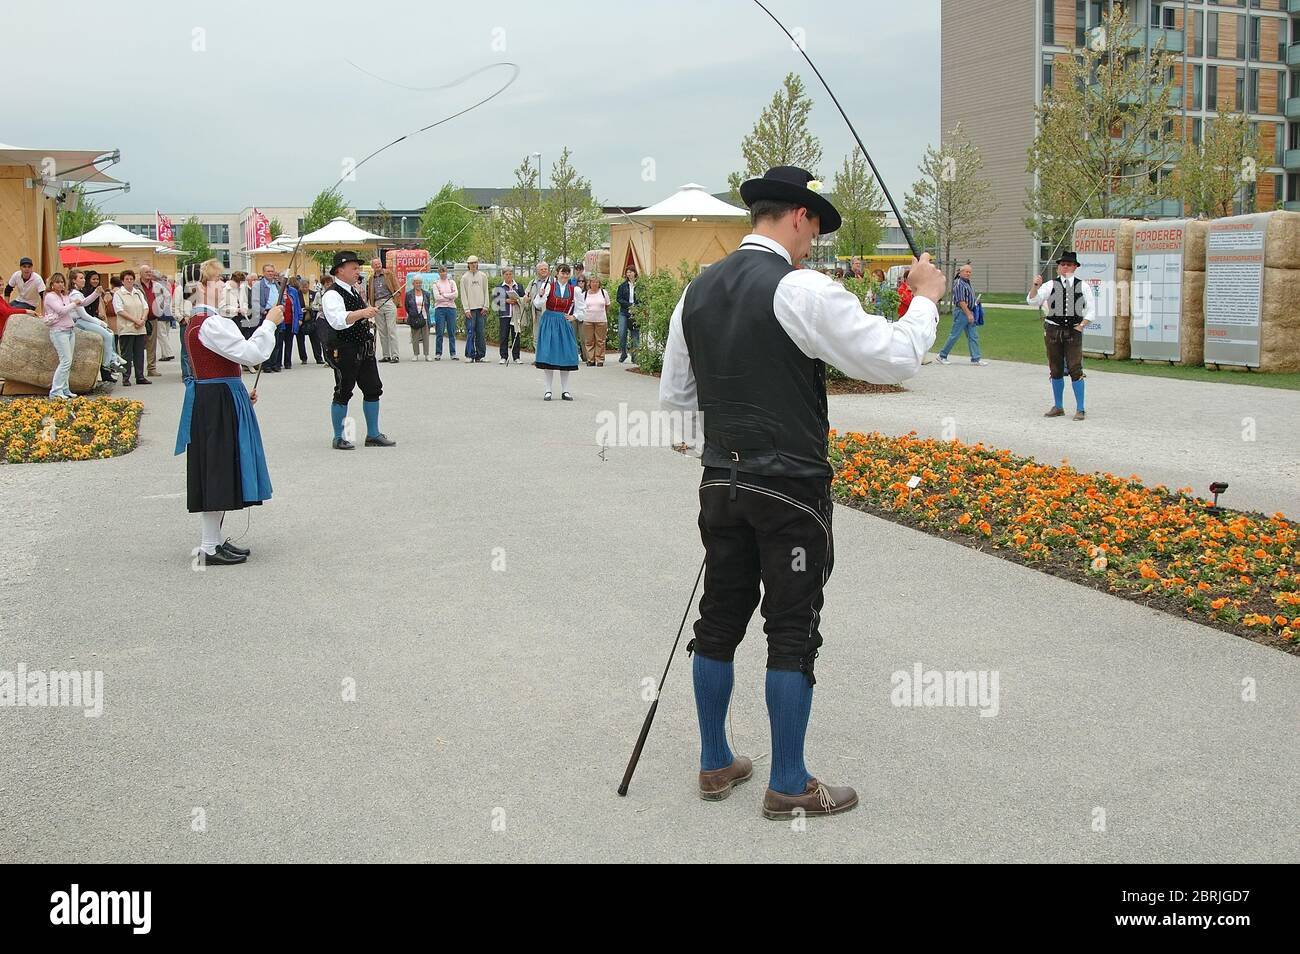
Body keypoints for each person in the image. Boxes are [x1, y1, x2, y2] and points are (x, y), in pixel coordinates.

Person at [659, 165, 942, 820]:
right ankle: (788, 782)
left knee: (720, 618)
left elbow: (677, 403)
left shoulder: (695, 294)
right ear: (797, 216)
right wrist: (923, 298)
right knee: (792, 627)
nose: (813, 243)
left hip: (720, 483)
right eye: (814, 228)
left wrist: (728, 441)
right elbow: (894, 358)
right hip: (789, 488)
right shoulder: (800, 289)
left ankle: (714, 761)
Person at [175, 258, 282, 566]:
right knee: (217, 469)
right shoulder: (210, 323)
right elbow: (253, 353)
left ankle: (216, 541)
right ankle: (209, 545)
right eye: (216, 280)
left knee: (219, 466)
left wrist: (237, 389)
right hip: (216, 400)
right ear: (199, 288)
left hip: (218, 395)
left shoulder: (204, 323)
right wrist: (269, 324)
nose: (223, 285)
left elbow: (223, 363)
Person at [322, 251, 396, 450]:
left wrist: (366, 315)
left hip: (363, 347)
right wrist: (363, 312)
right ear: (340, 270)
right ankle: (338, 437)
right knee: (343, 390)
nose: (358, 272)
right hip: (344, 348)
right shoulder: (332, 294)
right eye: (354, 268)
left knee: (373, 388)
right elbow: (338, 321)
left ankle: (373, 434)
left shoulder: (354, 291)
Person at [1027, 250, 1093, 421]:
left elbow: (1091, 310)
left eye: (1069, 264)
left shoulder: (1083, 286)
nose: (1065, 267)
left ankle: (1081, 408)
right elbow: (1033, 300)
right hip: (1053, 330)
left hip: (1073, 331)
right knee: (1055, 368)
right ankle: (1058, 406)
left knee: (1075, 368)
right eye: (1063, 264)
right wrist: (1035, 286)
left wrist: (1081, 326)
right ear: (1058, 267)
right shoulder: (1049, 285)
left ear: (1075, 267)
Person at [43, 273, 99, 399]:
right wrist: (74, 304)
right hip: (58, 331)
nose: (60, 284)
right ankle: (55, 391)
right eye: (57, 282)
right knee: (65, 361)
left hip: (69, 330)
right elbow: (61, 310)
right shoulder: (50, 297)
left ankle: (64, 388)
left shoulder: (64, 296)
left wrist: (96, 293)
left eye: (62, 282)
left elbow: (83, 302)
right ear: (52, 284)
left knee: (68, 362)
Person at [531, 262, 580, 400]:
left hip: (564, 322)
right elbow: (537, 304)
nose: (564, 275)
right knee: (549, 355)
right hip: (549, 321)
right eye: (562, 273)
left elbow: (582, 308)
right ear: (557, 274)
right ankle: (548, 390)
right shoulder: (549, 287)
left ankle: (565, 390)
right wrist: (540, 295)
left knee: (565, 355)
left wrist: (574, 316)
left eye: (567, 273)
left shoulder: (574, 290)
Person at [69, 269, 124, 383]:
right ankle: (108, 363)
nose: (83, 280)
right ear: (74, 280)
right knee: (107, 335)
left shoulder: (78, 293)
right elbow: (83, 314)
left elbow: (85, 302)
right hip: (79, 322)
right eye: (81, 278)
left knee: (109, 334)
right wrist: (99, 322)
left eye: (84, 278)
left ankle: (113, 358)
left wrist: (96, 293)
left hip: (83, 320)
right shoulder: (74, 294)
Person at [937, 262, 988, 366]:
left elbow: (967, 298)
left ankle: (976, 358)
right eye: (966, 271)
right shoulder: (959, 284)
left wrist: (975, 303)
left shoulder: (967, 283)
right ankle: (942, 355)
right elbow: (961, 301)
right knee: (954, 335)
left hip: (969, 311)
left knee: (973, 336)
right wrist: (969, 314)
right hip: (962, 312)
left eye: (970, 272)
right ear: (960, 272)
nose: (968, 273)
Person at [113, 269, 151, 385]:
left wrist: (142, 319)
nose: (129, 281)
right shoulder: (118, 294)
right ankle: (126, 377)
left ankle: (140, 376)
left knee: (139, 353)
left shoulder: (138, 293)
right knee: (126, 355)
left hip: (140, 328)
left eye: (131, 279)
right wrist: (135, 320)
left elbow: (146, 307)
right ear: (122, 281)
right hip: (126, 328)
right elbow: (119, 310)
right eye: (126, 279)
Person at [368, 256, 400, 363]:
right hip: (377, 304)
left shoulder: (389, 274)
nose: (378, 265)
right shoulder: (371, 278)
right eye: (375, 264)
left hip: (389, 301)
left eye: (379, 263)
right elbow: (370, 293)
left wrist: (394, 302)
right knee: (382, 331)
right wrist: (372, 306)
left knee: (391, 329)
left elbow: (397, 288)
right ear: (372, 266)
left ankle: (395, 355)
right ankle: (386, 355)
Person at [459, 255, 489, 362]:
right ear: (468, 265)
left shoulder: (483, 276)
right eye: (471, 263)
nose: (473, 265)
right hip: (470, 309)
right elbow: (463, 294)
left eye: (475, 263)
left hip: (481, 308)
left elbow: (486, 292)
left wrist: (486, 306)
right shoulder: (464, 278)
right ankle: (469, 355)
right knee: (470, 332)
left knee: (480, 332)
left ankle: (480, 355)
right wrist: (466, 309)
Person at [494, 267, 525, 365]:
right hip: (505, 314)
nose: (508, 276)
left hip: (516, 314)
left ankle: (516, 357)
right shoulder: (500, 286)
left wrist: (517, 300)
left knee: (516, 335)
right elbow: (496, 301)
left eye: (510, 274)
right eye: (506, 274)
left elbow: (523, 298)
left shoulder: (518, 286)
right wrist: (506, 301)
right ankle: (503, 356)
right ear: (503, 275)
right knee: (504, 336)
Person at [580, 274, 610, 367]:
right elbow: (581, 306)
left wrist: (604, 314)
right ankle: (590, 359)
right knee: (589, 340)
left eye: (596, 282)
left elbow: (607, 305)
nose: (595, 284)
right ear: (589, 283)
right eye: (593, 282)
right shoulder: (584, 294)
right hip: (587, 320)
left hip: (601, 320)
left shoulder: (603, 292)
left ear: (599, 283)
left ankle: (599, 359)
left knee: (600, 340)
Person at [432, 265, 459, 360]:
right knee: (440, 331)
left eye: (444, 271)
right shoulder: (436, 283)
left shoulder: (452, 282)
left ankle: (453, 353)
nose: (443, 273)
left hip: (451, 308)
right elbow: (437, 297)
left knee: (452, 331)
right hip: (440, 309)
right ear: (439, 273)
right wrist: (449, 296)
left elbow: (455, 294)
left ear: (447, 272)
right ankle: (438, 353)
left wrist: (444, 295)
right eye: (441, 272)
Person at [615, 266, 639, 363]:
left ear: (635, 273)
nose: (629, 274)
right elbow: (619, 298)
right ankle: (623, 352)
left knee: (635, 334)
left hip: (636, 313)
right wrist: (630, 306)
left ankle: (635, 356)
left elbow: (643, 298)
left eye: (631, 272)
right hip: (624, 312)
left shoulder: (640, 286)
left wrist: (636, 307)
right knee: (622, 333)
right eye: (627, 272)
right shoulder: (622, 286)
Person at [296, 277, 322, 364]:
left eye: (306, 287)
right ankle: (303, 358)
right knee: (300, 341)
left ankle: (318, 358)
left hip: (312, 319)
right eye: (303, 287)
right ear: (300, 286)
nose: (304, 288)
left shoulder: (314, 294)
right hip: (301, 320)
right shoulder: (297, 294)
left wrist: (311, 308)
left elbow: (318, 305)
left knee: (315, 340)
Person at [405, 277, 431, 361]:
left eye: (420, 283)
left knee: (426, 337)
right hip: (414, 317)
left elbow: (428, 305)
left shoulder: (426, 294)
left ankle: (427, 354)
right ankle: (415, 354)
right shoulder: (409, 294)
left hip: (424, 317)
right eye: (417, 283)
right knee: (415, 337)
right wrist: (412, 314)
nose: (418, 284)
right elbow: (407, 306)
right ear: (413, 284)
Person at [572, 274, 588, 364]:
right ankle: (574, 356)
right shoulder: (574, 291)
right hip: (574, 315)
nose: (581, 283)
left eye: (583, 281)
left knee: (583, 337)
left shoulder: (587, 293)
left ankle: (585, 356)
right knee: (573, 336)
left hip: (583, 316)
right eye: (579, 281)